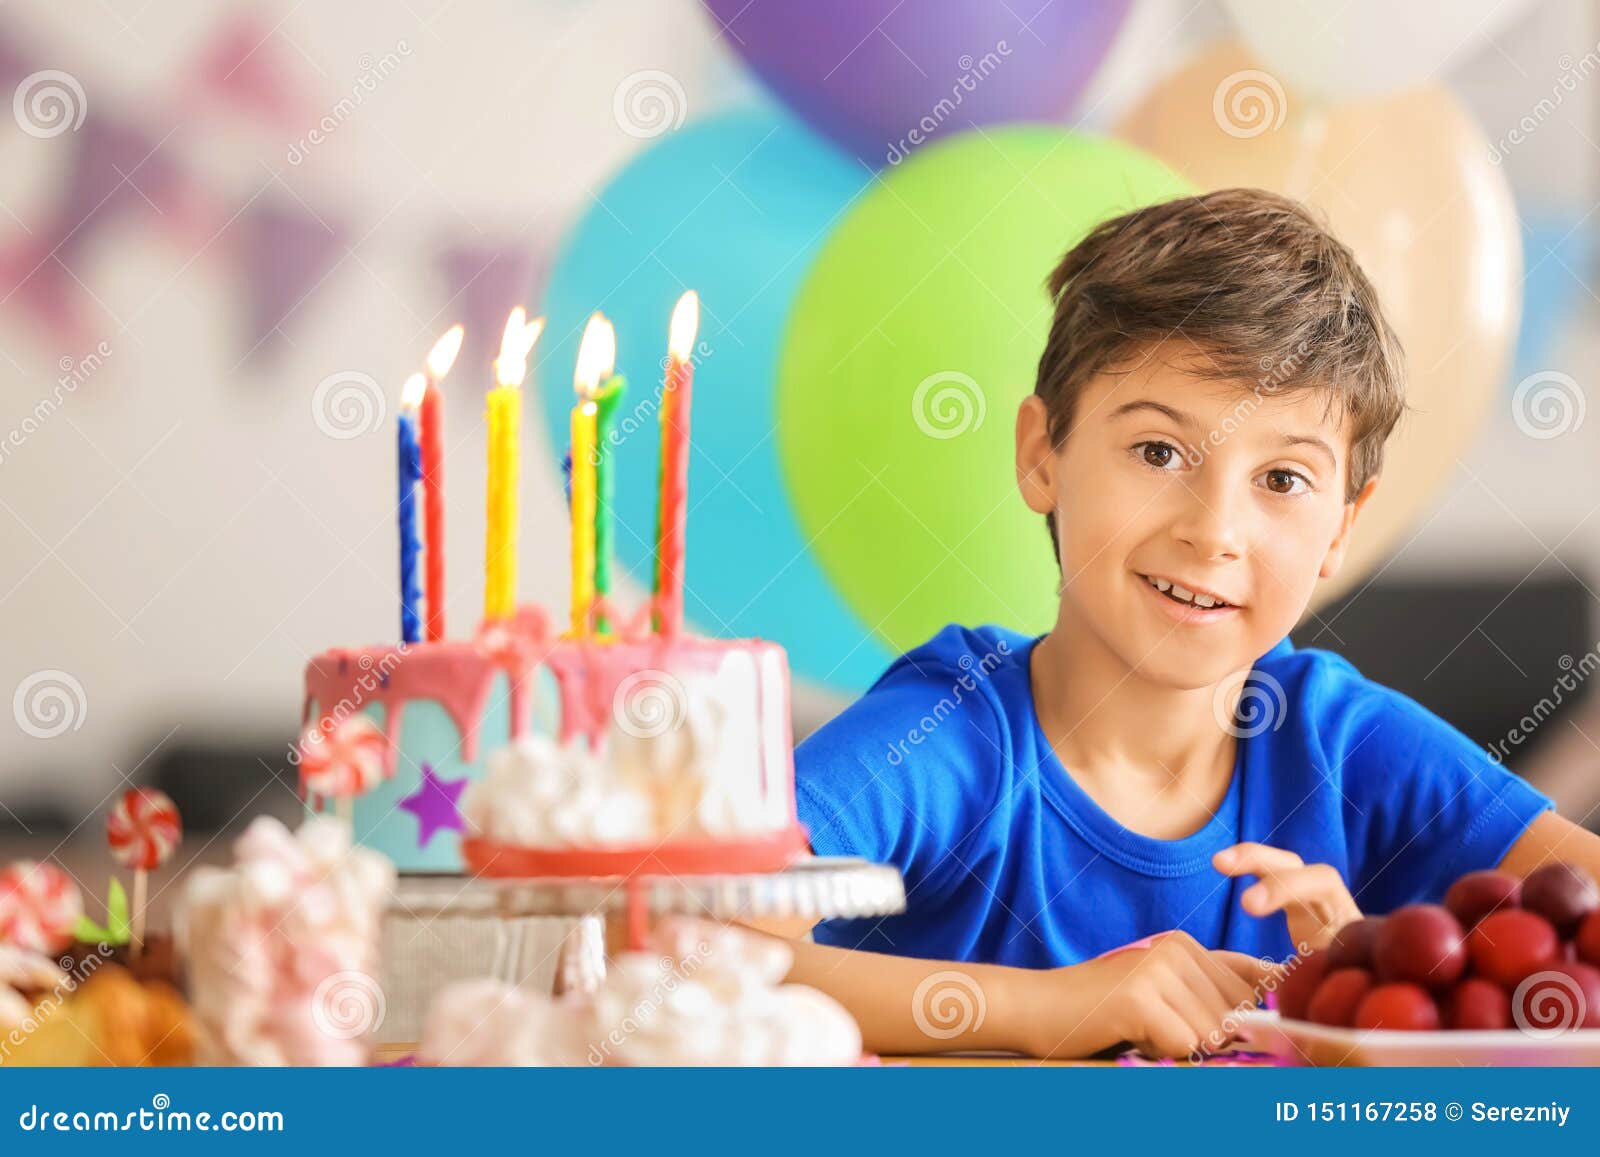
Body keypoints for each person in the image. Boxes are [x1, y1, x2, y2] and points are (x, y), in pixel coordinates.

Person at [775, 188, 1600, 1060]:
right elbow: (688, 943)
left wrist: (1380, 990)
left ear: (1343, 527)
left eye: (1282, 479)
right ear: (1040, 455)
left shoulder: (1341, 740)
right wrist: (1046, 1007)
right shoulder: (953, 734)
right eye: (1158, 452)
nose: (1213, 531)